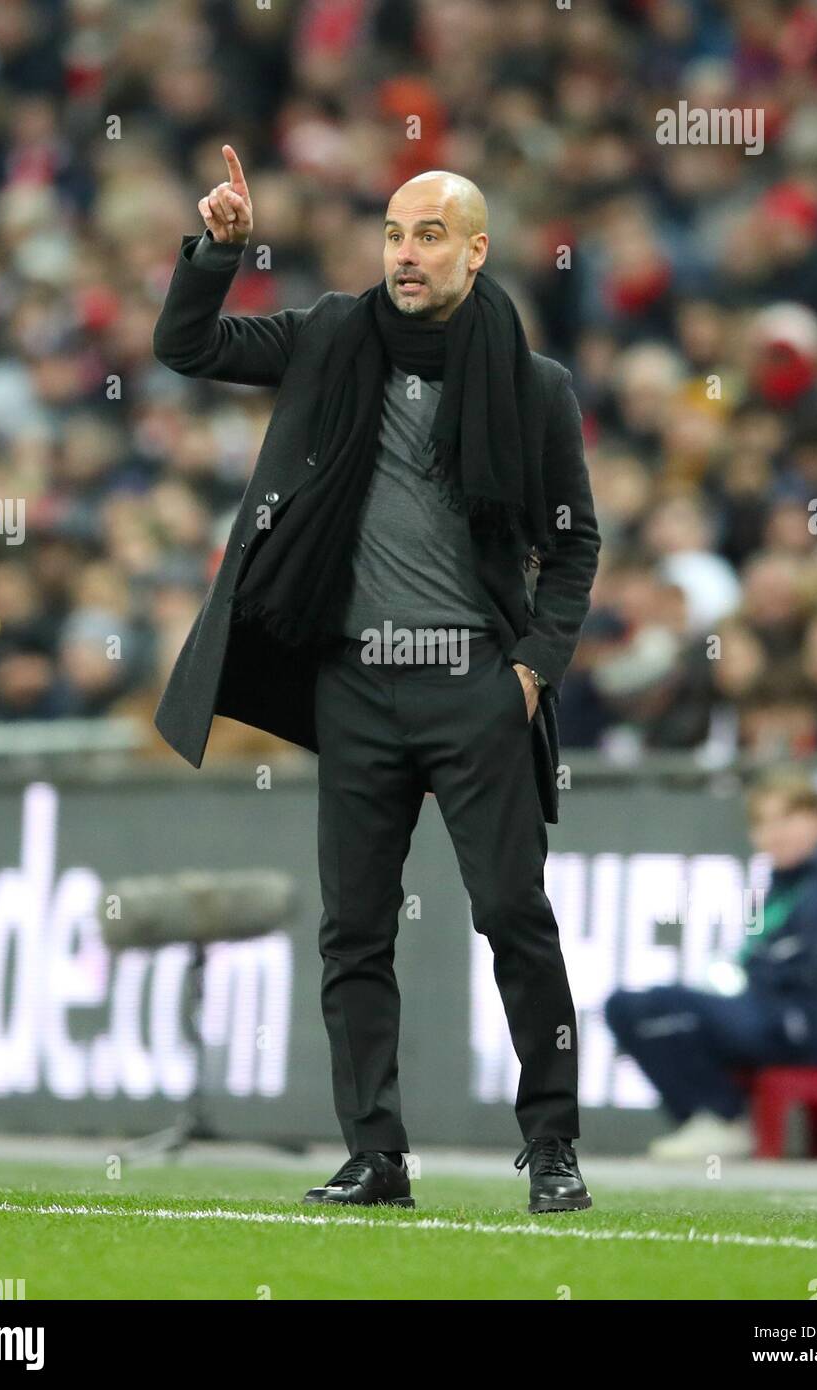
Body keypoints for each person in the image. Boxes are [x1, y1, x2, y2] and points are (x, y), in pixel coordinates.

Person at [152, 147, 601, 1211]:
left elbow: (574, 544)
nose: (405, 253)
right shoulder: (329, 338)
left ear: (476, 252)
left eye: (429, 236)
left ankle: (551, 1145)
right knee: (353, 929)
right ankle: (376, 1154)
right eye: (395, 234)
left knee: (514, 915)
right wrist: (218, 251)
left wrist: (533, 664)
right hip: (355, 683)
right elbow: (187, 346)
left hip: (474, 684)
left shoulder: (534, 387)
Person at [604, 768, 817, 1160]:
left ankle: (723, 1116)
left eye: (787, 818)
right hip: (762, 1010)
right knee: (629, 1006)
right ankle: (712, 1115)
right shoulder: (783, 886)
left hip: (802, 1023)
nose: (776, 833)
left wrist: (779, 994)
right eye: (764, 823)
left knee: (663, 1006)